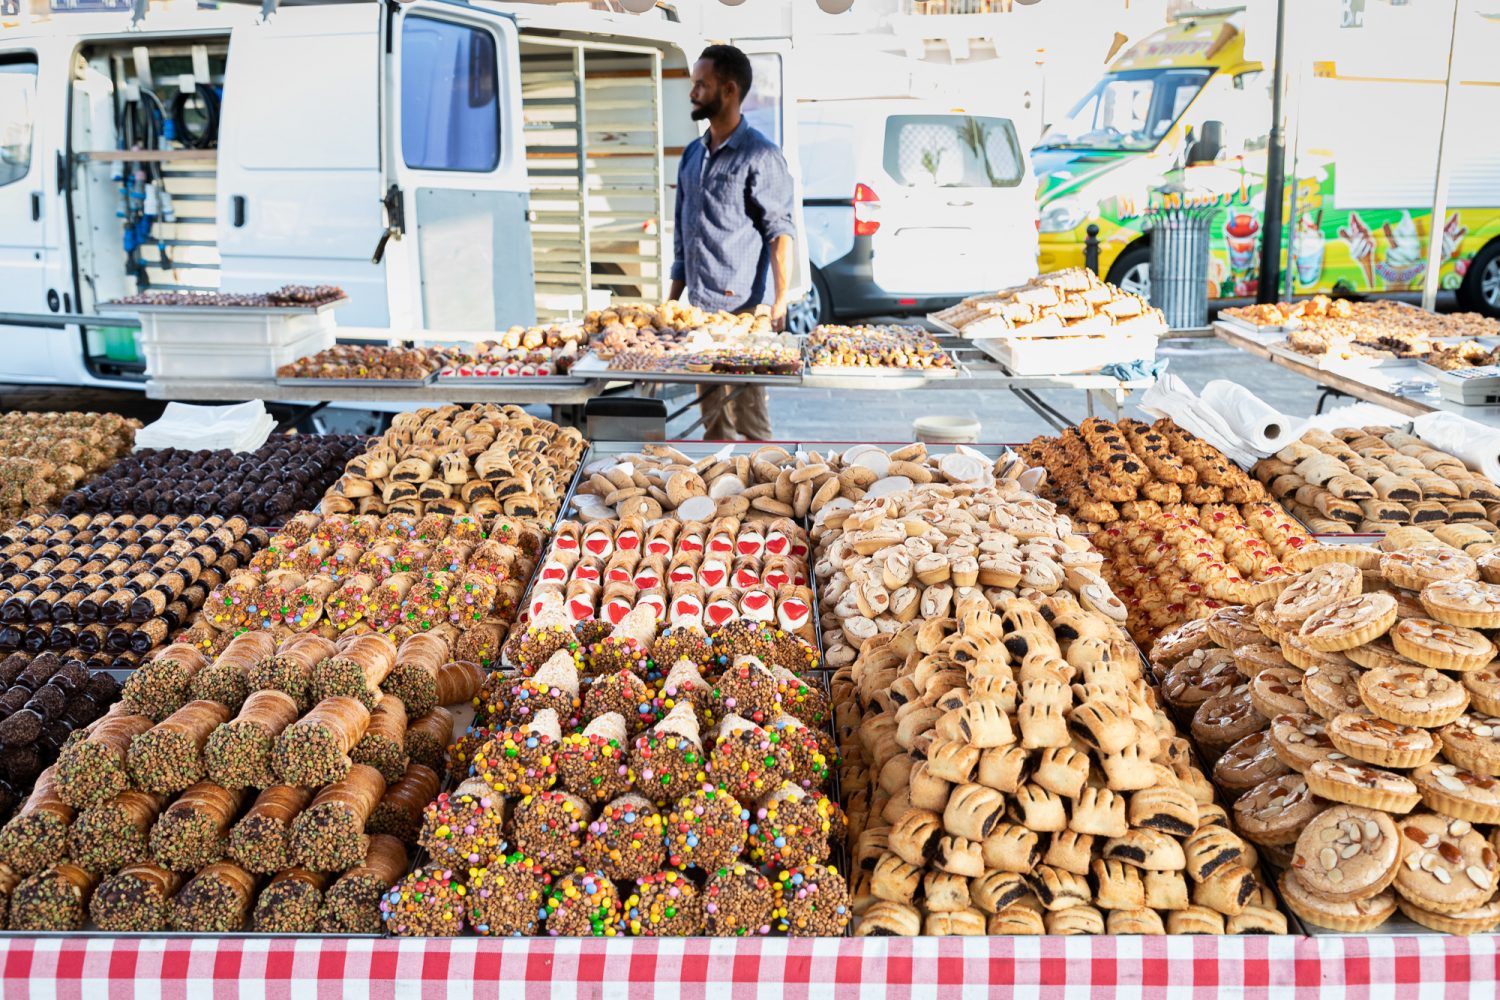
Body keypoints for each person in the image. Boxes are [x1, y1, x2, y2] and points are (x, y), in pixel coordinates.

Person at [669, 44, 796, 442]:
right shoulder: (693, 154)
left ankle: (766, 496)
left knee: (751, 423)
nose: (692, 93)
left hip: (743, 314)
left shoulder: (761, 155)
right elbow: (682, 234)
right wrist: (672, 302)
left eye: (700, 85)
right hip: (699, 312)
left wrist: (779, 300)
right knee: (713, 426)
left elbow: (780, 232)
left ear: (728, 90)